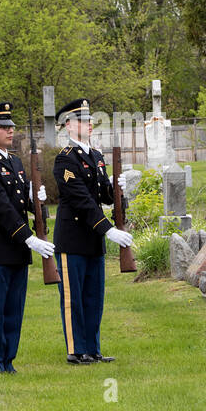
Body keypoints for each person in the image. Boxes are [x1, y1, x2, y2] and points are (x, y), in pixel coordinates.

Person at [0, 102, 52, 374]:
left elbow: (18, 202)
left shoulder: (14, 161)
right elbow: (0, 208)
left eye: (12, 127)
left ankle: (9, 361)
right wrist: (29, 238)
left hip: (16, 249)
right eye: (4, 127)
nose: (11, 131)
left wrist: (35, 201)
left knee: (14, 310)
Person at [51, 98, 133, 364]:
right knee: (73, 298)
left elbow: (103, 198)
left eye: (89, 120)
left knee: (94, 297)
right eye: (83, 121)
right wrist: (108, 230)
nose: (89, 124)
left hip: (92, 239)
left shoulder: (96, 157)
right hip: (73, 238)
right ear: (68, 126)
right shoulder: (64, 160)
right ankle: (76, 350)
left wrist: (117, 188)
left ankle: (93, 348)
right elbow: (81, 200)